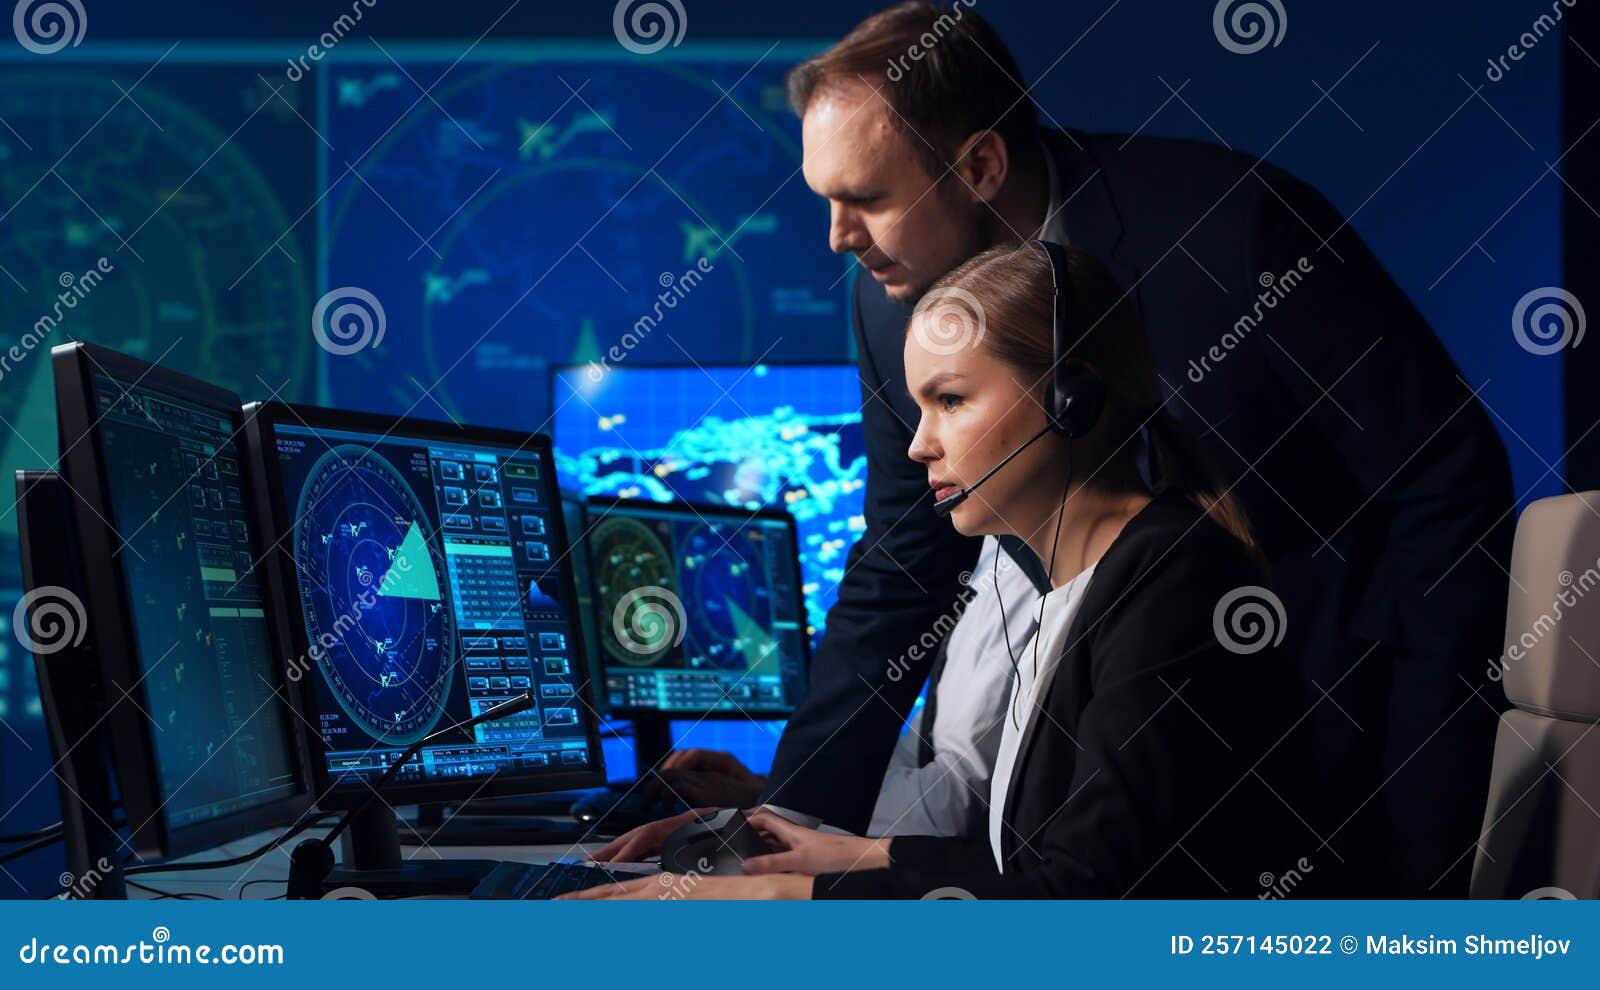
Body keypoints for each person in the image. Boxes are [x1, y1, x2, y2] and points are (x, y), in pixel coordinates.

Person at [633, 2, 1514, 896]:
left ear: (979, 164)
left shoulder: (1232, 230)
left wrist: (1422, 817)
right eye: (826, 199)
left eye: (867, 198)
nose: (838, 237)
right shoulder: (885, 299)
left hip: (1317, 757)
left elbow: (1446, 484)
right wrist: (781, 830)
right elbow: (904, 562)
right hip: (1070, 814)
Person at [569, 243, 1310, 899]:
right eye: (919, 408)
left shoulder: (1176, 582)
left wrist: (782, 901)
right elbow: (1031, 864)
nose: (920, 444)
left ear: (1069, 399)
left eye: (950, 400)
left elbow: (1081, 902)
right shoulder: (1073, 588)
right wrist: (860, 852)